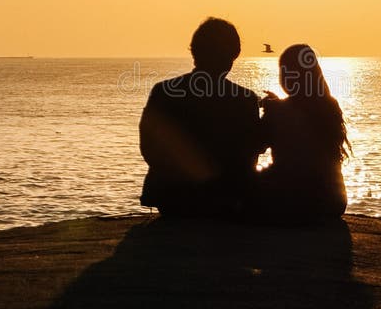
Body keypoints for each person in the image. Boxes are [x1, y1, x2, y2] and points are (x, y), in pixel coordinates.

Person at [139, 18, 260, 217]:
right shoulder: (245, 99)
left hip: (171, 197)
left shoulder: (163, 91)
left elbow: (149, 148)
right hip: (225, 199)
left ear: (194, 51)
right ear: (234, 54)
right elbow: (249, 159)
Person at [256, 44, 349, 220]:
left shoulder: (278, 111)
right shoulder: (330, 106)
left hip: (294, 200)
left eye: (284, 72)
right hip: (333, 202)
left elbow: (257, 145)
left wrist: (265, 111)